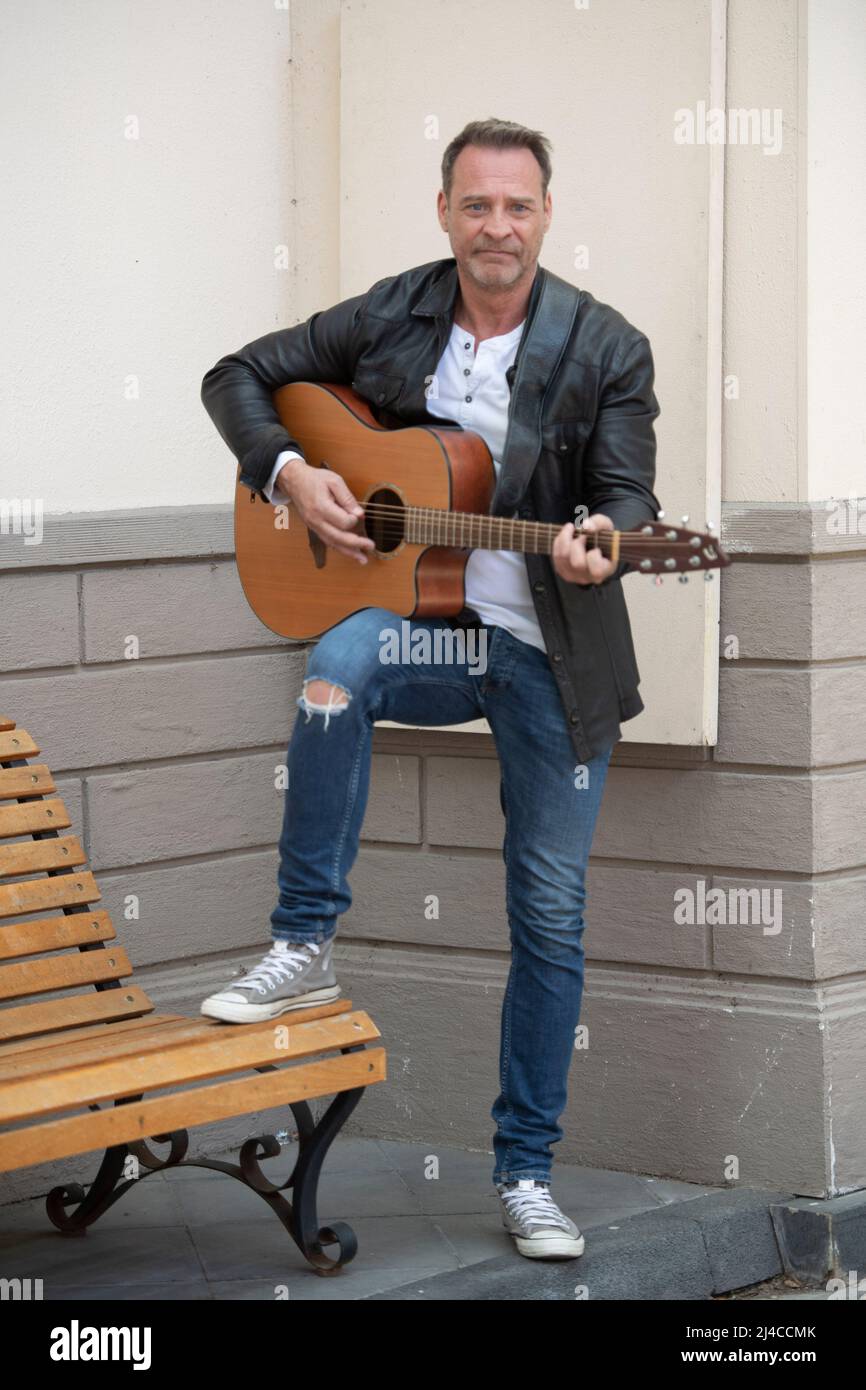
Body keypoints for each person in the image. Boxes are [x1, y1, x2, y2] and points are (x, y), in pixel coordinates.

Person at [199, 118, 661, 1261]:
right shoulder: (395, 311)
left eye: (515, 206)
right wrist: (297, 474)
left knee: (547, 914)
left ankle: (525, 1174)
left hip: (548, 652)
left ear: (545, 213)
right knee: (331, 669)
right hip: (427, 628)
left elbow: (630, 499)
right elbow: (236, 376)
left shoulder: (606, 346)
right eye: (474, 205)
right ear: (444, 210)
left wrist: (602, 537)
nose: (494, 227)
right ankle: (304, 943)